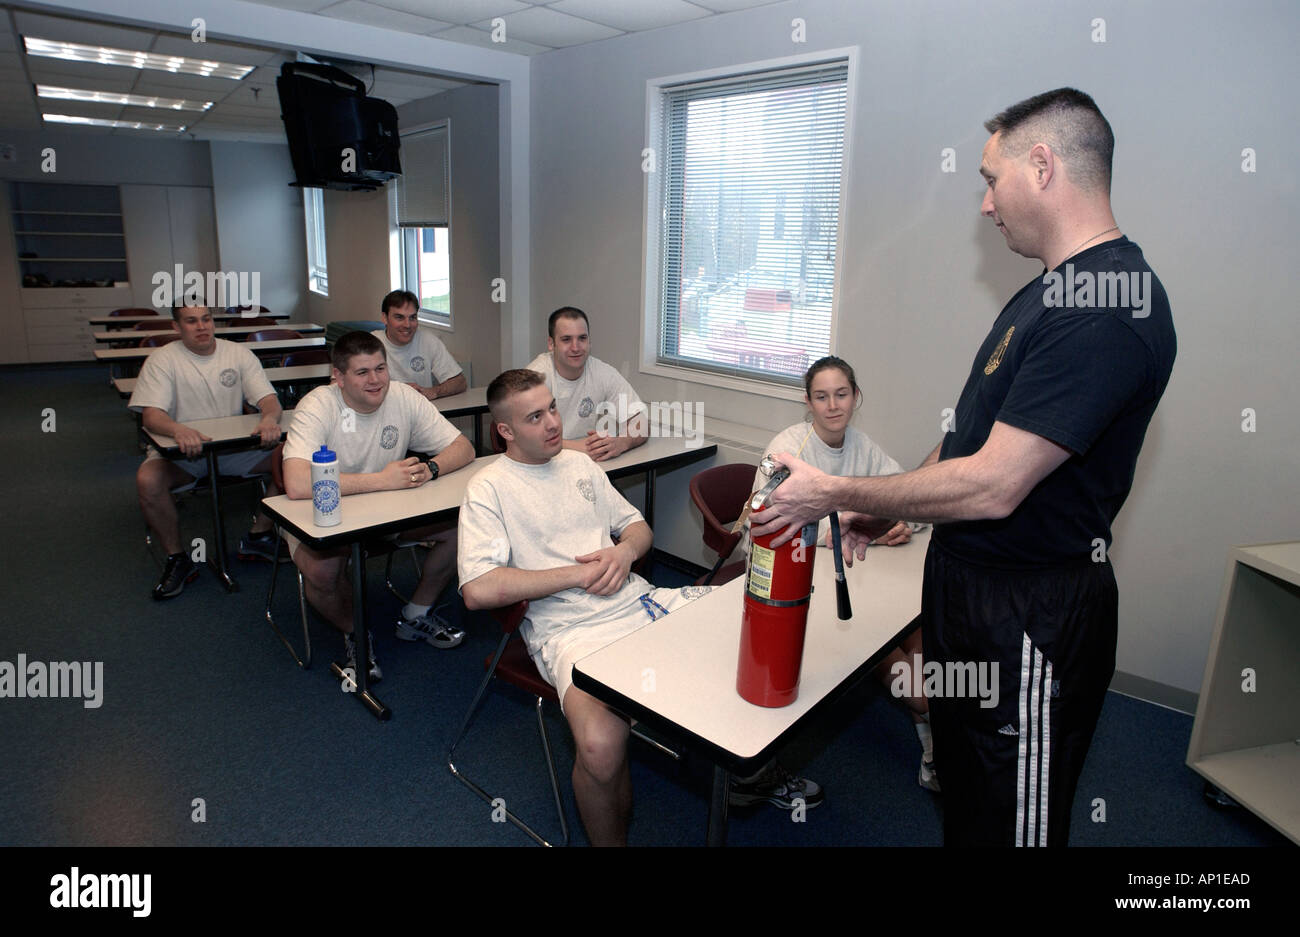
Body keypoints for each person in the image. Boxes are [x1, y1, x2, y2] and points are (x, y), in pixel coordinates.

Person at [751, 88, 1176, 846]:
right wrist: (882, 507)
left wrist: (836, 490)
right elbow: (965, 444)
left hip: (1030, 618)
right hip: (970, 597)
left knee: (1014, 820)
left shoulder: (1108, 306)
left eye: (990, 178)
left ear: (1041, 166)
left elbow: (996, 481)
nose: (985, 205)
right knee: (970, 797)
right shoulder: (1044, 295)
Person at [752, 356, 937, 791]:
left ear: (856, 397)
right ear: (808, 402)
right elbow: (766, 530)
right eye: (821, 396)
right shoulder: (788, 451)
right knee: (907, 661)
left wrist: (896, 523)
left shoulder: (861, 446)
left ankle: (931, 742)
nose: (833, 406)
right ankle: (926, 710)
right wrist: (854, 523)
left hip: (857, 572)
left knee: (921, 624)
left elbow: (911, 496)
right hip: (801, 584)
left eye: (841, 394)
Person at [281, 331, 476, 681]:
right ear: (338, 377)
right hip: (327, 515)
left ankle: (415, 615)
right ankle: (357, 631)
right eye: (362, 372)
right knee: (323, 572)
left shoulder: (401, 396)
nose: (376, 381)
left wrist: (431, 469)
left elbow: (464, 447)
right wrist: (381, 481)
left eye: (381, 368)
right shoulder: (318, 405)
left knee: (459, 529)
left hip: (388, 513)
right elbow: (296, 483)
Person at [130, 305, 283, 600]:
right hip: (183, 455)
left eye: (206, 319)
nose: (201, 326)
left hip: (233, 450)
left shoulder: (237, 354)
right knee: (148, 480)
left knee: (291, 458)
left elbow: (269, 399)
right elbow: (151, 416)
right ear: (176, 327)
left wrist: (268, 418)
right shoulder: (162, 360)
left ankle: (259, 535)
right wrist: (177, 429)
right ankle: (178, 558)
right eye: (191, 321)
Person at [525, 306, 646, 462]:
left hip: (586, 463)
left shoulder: (603, 372)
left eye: (582, 338)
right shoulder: (535, 377)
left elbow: (641, 423)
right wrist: (578, 447)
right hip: (541, 463)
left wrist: (621, 442)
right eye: (566, 339)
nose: (576, 348)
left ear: (589, 341)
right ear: (551, 343)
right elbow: (525, 437)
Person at [372, 289, 467, 401]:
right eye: (399, 317)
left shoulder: (428, 341)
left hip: (421, 412)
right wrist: (400, 391)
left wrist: (434, 391)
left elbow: (460, 382)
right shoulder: (370, 344)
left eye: (412, 317)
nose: (407, 325)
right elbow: (356, 386)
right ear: (384, 318)